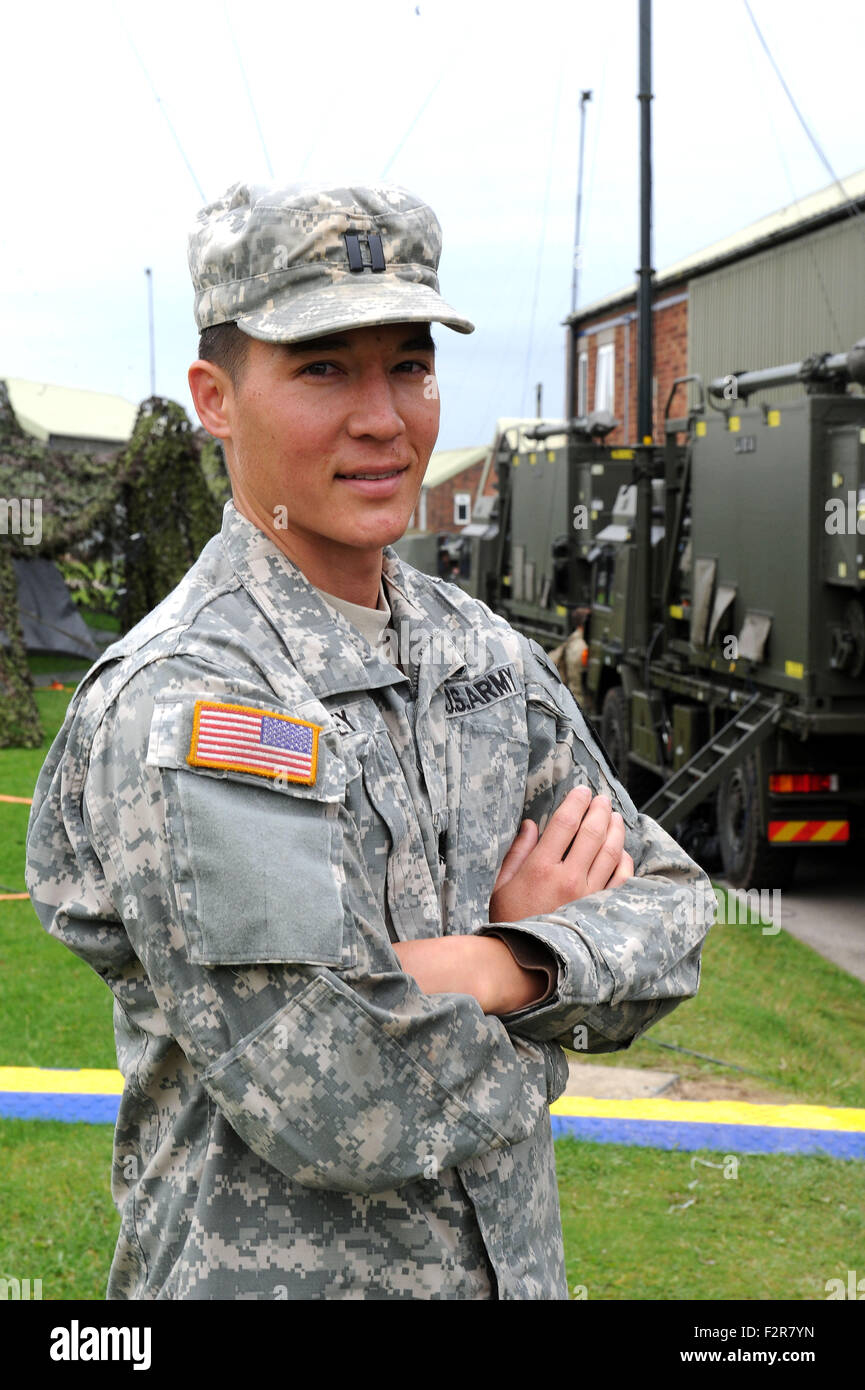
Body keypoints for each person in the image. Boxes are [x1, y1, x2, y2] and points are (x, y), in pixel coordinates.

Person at [25, 180, 715, 1301]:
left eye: (407, 362)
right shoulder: (199, 701)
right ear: (214, 397)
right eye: (322, 368)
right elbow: (337, 1090)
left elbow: (675, 912)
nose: (384, 417)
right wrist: (547, 976)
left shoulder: (477, 651)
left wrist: (497, 959)